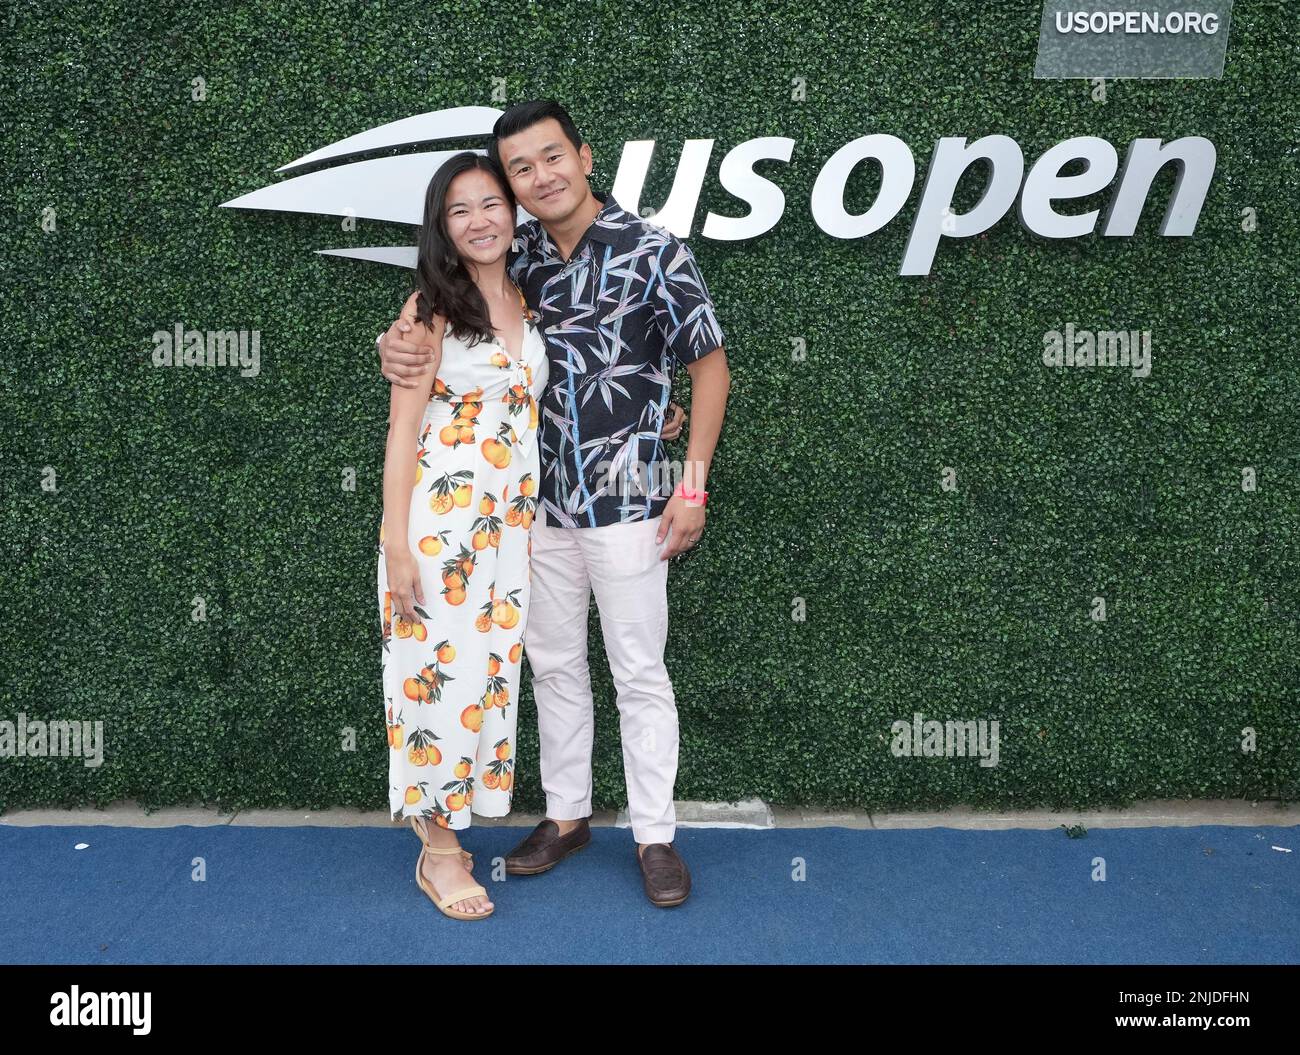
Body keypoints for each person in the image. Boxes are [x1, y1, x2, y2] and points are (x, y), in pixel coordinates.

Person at [378, 100, 731, 907]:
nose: (540, 178)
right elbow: (441, 323)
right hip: (530, 512)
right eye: (520, 170)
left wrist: (693, 483)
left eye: (550, 158)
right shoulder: (518, 252)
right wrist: (392, 343)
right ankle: (567, 815)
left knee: (638, 670)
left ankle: (654, 836)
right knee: (554, 667)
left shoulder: (655, 252)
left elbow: (709, 368)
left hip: (633, 501)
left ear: (584, 154)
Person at [378, 150, 550, 920]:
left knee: (485, 678)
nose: (480, 220)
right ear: (442, 227)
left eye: (491, 203)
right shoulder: (428, 309)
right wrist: (394, 542)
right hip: (439, 530)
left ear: (513, 214)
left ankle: (453, 823)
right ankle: (438, 850)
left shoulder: (529, 296)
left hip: (510, 531)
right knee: (436, 676)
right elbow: (402, 428)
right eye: (460, 210)